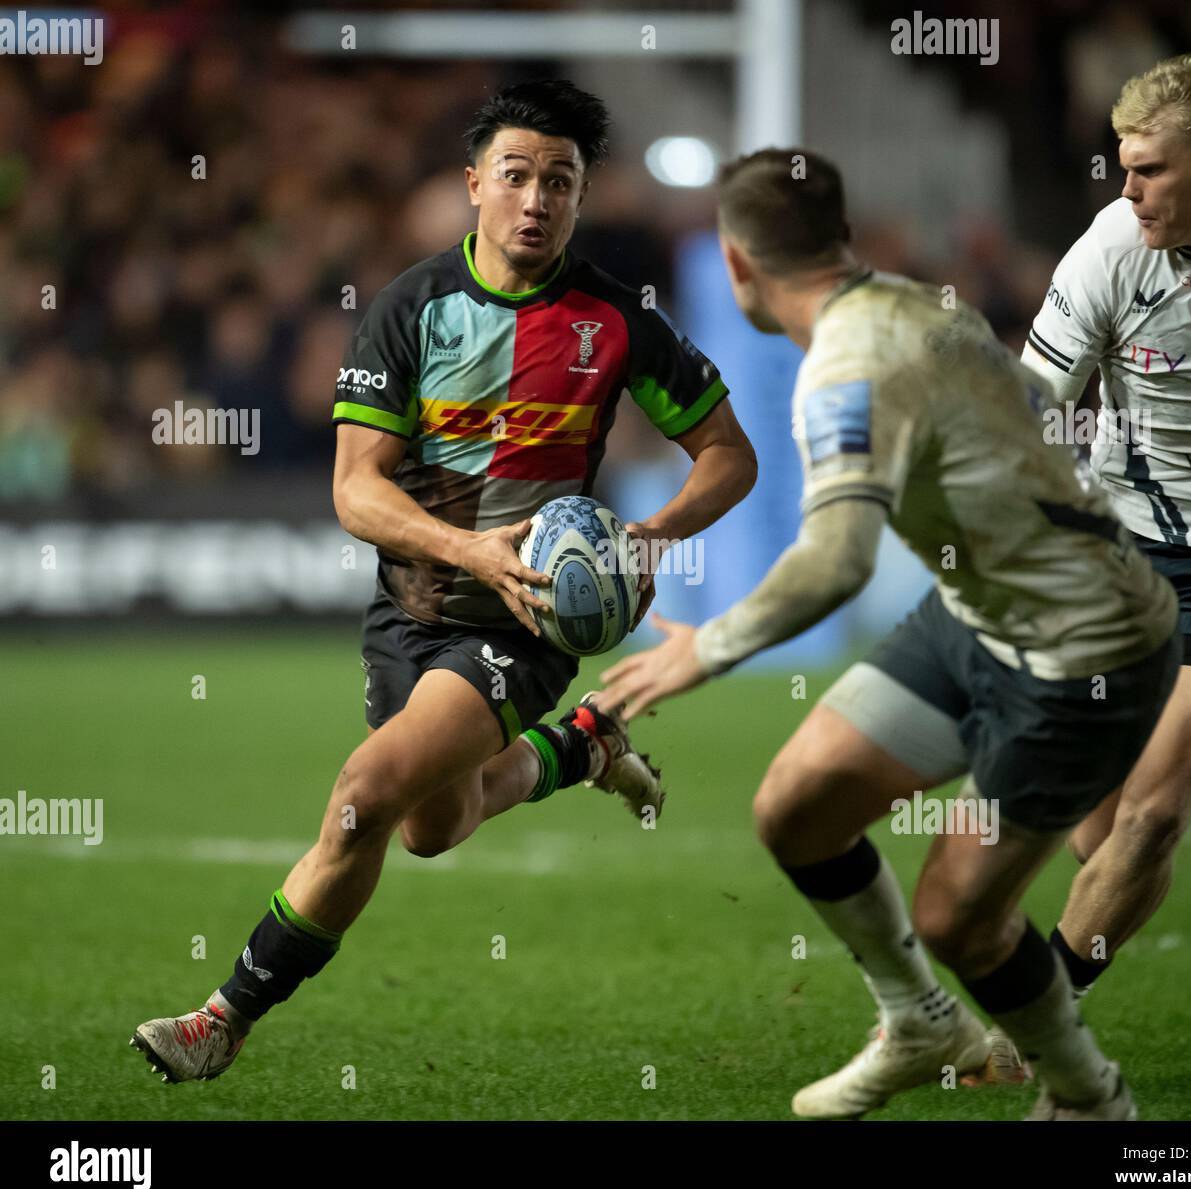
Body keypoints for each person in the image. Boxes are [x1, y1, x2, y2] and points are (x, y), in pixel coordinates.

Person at [130, 80, 757, 1084]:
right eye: (516, 175)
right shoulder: (410, 310)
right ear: (474, 185)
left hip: (529, 622)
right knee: (433, 823)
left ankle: (222, 1016)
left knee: (364, 791)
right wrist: (471, 550)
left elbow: (729, 452)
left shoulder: (612, 323)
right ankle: (583, 747)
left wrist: (649, 536)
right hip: (414, 606)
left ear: (581, 197)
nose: (536, 199)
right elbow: (354, 491)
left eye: (560, 180)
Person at [602, 147, 1179, 1120]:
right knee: (796, 805)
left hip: (1082, 653)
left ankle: (1088, 1096)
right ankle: (918, 1021)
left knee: (958, 914)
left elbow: (835, 560)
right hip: (976, 616)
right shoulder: (918, 304)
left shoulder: (846, 364)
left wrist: (702, 646)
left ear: (736, 266)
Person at [1021, 55, 1191, 998]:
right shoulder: (1110, 249)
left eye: (1151, 170)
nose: (1126, 187)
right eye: (1122, 164)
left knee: (1152, 819)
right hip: (1119, 552)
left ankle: (1040, 1032)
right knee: (1097, 834)